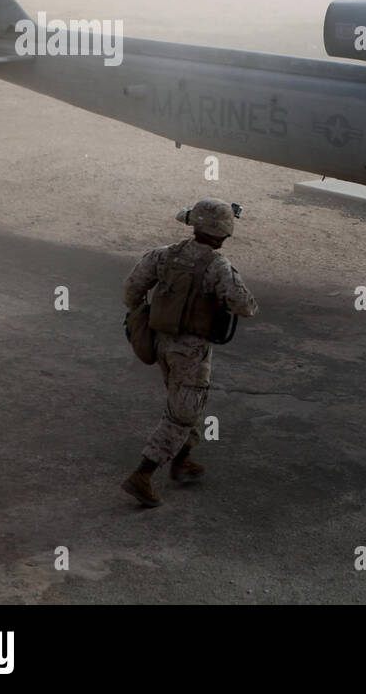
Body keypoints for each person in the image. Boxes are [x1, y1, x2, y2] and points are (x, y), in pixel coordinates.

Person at [120, 198, 259, 506]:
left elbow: (131, 289)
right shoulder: (217, 266)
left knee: (186, 401)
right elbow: (243, 305)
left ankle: (182, 459)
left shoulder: (164, 255)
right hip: (192, 350)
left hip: (161, 343)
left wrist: (143, 315)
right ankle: (143, 474)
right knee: (183, 412)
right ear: (223, 234)